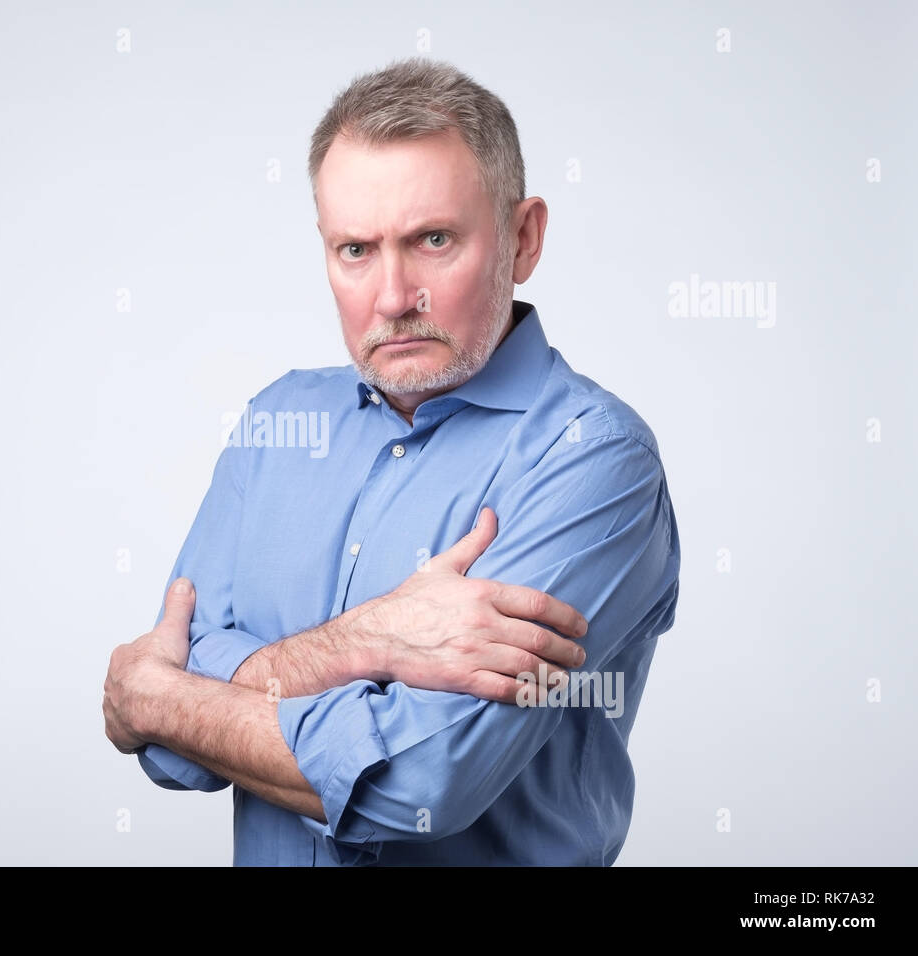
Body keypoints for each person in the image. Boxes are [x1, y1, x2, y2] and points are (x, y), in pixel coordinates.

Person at [102, 57, 681, 866]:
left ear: (523, 238)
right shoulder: (278, 422)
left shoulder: (595, 460)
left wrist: (174, 700)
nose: (392, 296)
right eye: (355, 249)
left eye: (433, 240)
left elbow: (417, 785)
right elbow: (169, 756)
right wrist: (368, 641)